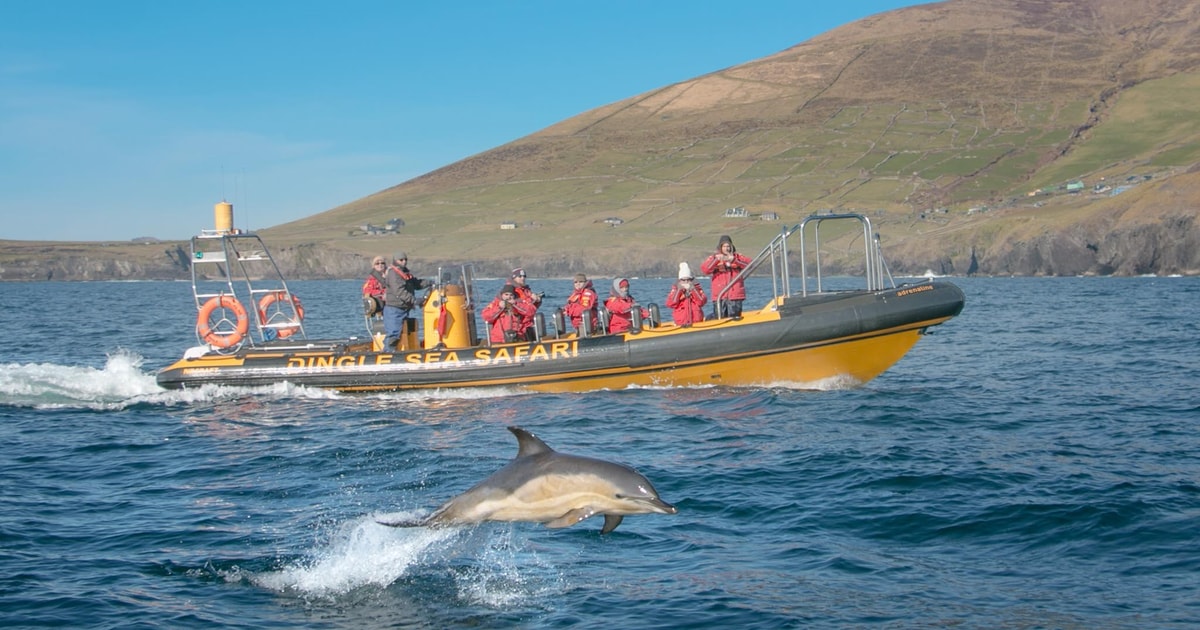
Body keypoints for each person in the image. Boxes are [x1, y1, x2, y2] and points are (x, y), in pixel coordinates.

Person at [382, 252, 431, 351]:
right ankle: (387, 354)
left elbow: (417, 284)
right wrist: (414, 300)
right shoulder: (393, 273)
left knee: (401, 332)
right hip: (394, 308)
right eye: (401, 260)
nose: (404, 262)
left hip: (404, 308)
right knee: (393, 335)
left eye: (405, 260)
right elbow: (399, 291)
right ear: (395, 261)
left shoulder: (405, 272)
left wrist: (430, 282)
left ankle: (395, 352)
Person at [700, 234, 753, 319]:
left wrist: (734, 260)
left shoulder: (738, 257)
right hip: (720, 296)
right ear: (720, 247)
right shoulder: (713, 258)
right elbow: (705, 269)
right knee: (720, 318)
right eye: (724, 246)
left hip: (735, 296)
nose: (726, 248)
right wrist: (716, 260)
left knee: (735, 318)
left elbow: (750, 264)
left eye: (728, 246)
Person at [666, 262, 707, 327]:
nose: (686, 282)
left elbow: (702, 302)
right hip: (681, 324)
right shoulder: (675, 290)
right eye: (683, 280)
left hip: (696, 323)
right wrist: (679, 290)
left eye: (688, 280)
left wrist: (693, 290)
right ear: (679, 280)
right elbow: (670, 304)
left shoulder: (697, 289)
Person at [509, 268, 543, 340]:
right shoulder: (510, 291)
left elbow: (532, 308)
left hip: (528, 325)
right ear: (514, 277)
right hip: (518, 327)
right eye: (520, 276)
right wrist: (531, 299)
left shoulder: (525, 290)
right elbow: (526, 309)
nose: (523, 278)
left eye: (524, 276)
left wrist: (537, 300)